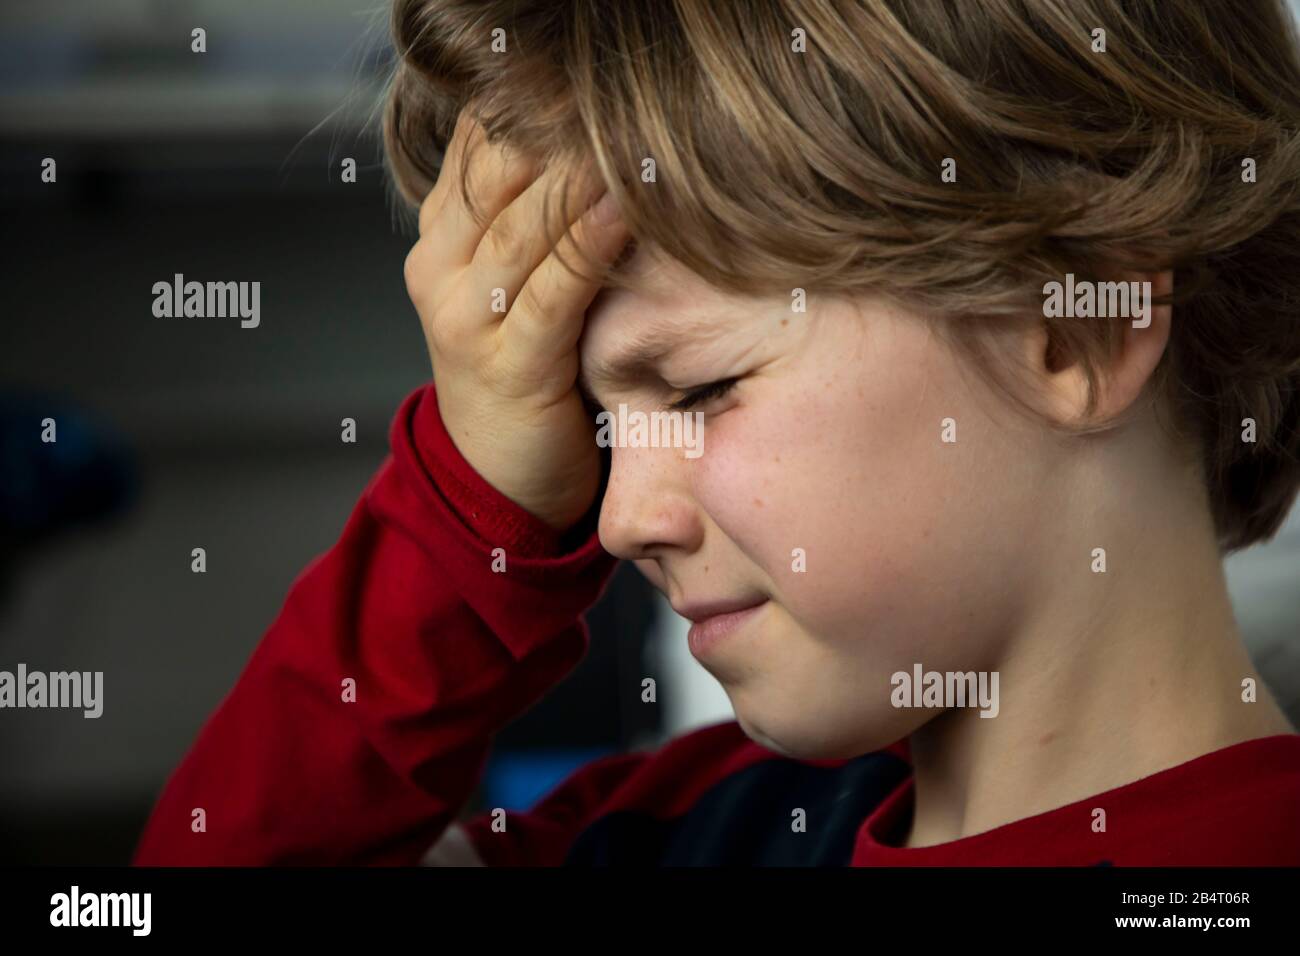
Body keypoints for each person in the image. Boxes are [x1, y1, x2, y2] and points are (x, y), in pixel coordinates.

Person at [134, 0, 1300, 866]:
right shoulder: (689, 830)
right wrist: (468, 508)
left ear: (1072, 332)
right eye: (597, 419)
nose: (617, 516)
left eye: (696, 390)